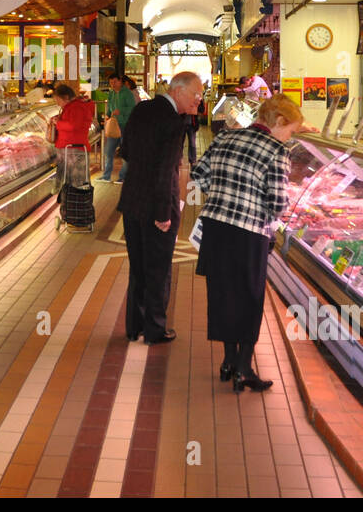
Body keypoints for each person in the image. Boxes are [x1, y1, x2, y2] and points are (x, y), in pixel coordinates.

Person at [191, 95, 305, 392]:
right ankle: (244, 368)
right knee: (250, 300)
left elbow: (198, 177)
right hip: (248, 234)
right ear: (278, 122)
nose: (290, 136)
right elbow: (278, 203)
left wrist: (225, 193)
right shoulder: (276, 150)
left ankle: (228, 361)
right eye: (291, 130)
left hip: (215, 229)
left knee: (223, 295)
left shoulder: (225, 137)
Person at [117, 71, 204, 345]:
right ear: (177, 91)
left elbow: (126, 151)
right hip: (157, 206)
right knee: (158, 268)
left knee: (139, 267)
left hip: (132, 201)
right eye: (196, 95)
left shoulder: (142, 108)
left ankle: (134, 327)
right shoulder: (173, 122)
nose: (199, 102)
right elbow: (166, 171)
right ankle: (155, 329)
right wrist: (164, 213)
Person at [50, 83, 95, 192]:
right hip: (70, 149)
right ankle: (70, 204)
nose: (57, 103)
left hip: (74, 150)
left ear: (65, 97)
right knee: (72, 185)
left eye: (58, 100)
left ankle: (75, 206)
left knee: (77, 185)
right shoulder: (74, 106)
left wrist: (58, 123)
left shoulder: (76, 107)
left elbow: (73, 125)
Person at [99, 74, 137, 183]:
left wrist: (121, 112)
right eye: (111, 82)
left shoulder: (127, 93)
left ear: (120, 81)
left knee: (125, 152)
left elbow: (132, 108)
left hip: (125, 125)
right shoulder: (111, 93)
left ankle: (123, 176)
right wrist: (107, 115)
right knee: (109, 151)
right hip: (113, 126)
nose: (113, 85)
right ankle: (106, 176)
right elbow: (110, 107)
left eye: (115, 82)